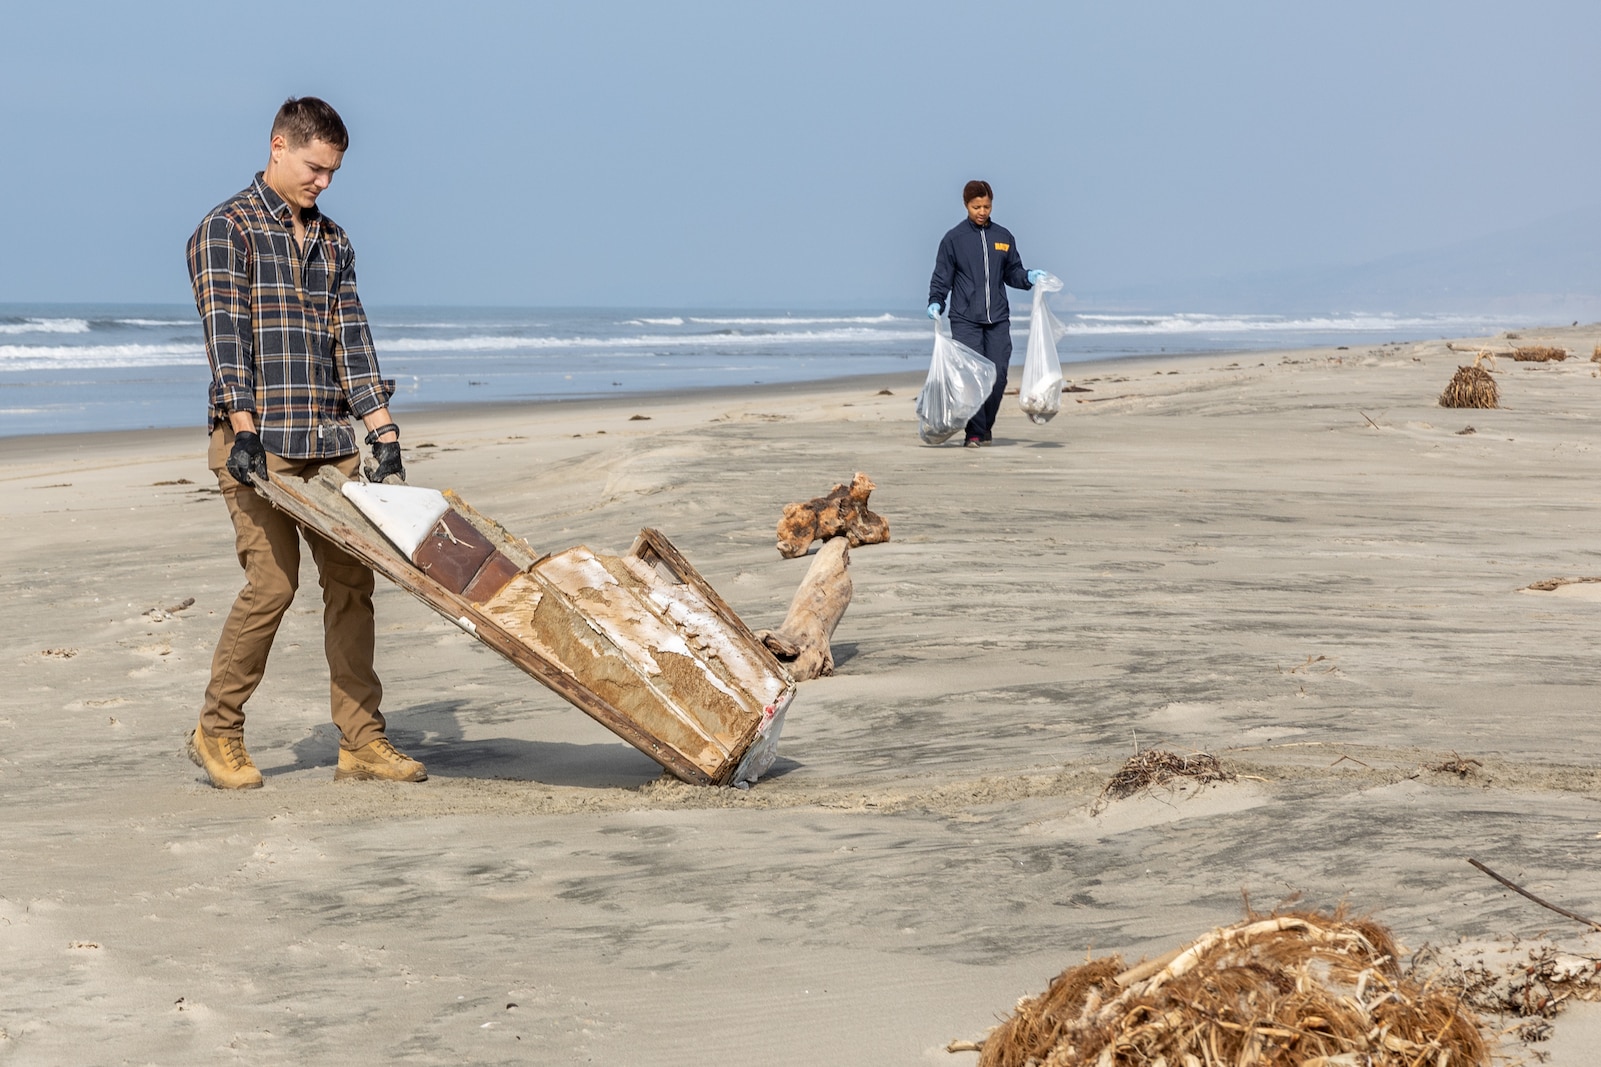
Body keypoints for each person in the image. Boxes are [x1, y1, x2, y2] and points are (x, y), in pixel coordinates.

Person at [184, 96, 425, 789]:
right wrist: (244, 431)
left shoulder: (335, 241)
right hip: (255, 442)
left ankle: (361, 741)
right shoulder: (224, 231)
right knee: (272, 585)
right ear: (279, 147)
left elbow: (351, 338)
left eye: (332, 173)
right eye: (315, 168)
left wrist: (382, 430)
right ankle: (218, 729)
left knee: (352, 583)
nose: (322, 182)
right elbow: (225, 339)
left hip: (328, 438)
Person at [927, 180, 1048, 447]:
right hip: (964, 318)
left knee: (998, 376)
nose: (982, 211)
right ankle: (973, 432)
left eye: (987, 206)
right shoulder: (954, 239)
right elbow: (942, 278)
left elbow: (1012, 272)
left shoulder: (1003, 237)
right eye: (976, 207)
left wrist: (1028, 277)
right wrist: (936, 301)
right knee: (973, 378)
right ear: (966, 205)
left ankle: (985, 427)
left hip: (998, 319)